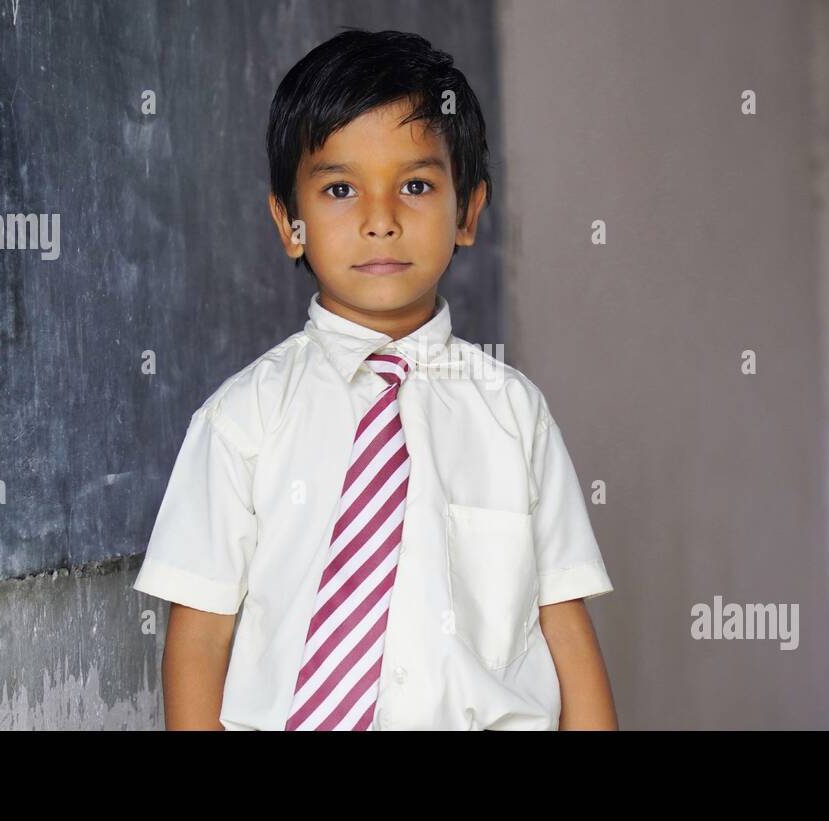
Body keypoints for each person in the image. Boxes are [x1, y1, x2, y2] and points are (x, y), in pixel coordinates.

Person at [132, 28, 616, 731]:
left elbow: (562, 620)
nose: (380, 220)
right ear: (289, 223)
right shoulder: (242, 419)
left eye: (416, 185)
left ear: (469, 211)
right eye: (339, 188)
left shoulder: (514, 414)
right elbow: (200, 636)